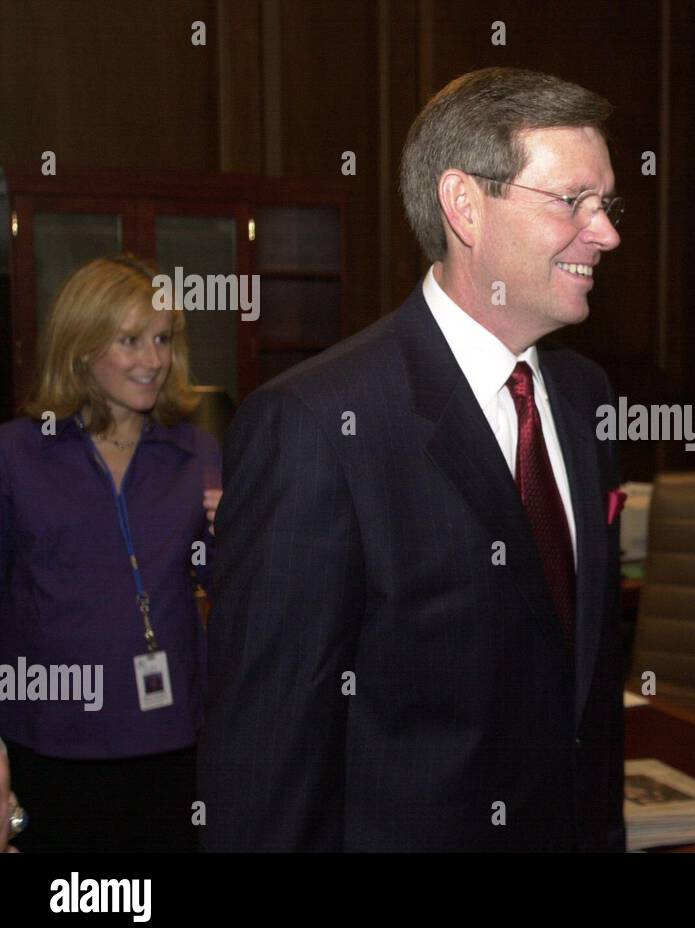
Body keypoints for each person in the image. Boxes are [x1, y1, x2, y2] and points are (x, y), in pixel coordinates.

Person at [198, 67, 627, 852]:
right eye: (573, 201)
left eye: (607, 205)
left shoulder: (584, 396)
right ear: (465, 205)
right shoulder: (317, 425)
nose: (606, 233)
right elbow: (264, 768)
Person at [0, 255, 222, 852]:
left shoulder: (195, 451)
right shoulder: (18, 452)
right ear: (81, 347)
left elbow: (228, 589)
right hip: (50, 742)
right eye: (130, 341)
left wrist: (236, 536)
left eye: (161, 339)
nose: (153, 360)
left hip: (170, 740)